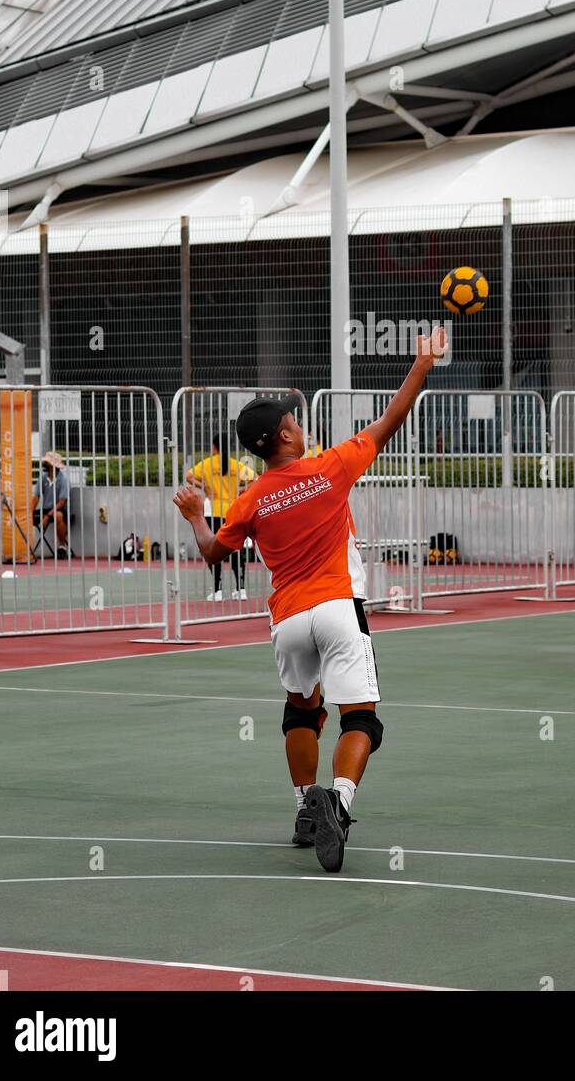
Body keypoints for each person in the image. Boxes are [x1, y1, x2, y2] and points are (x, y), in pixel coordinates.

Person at [173, 331, 447, 873]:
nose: (301, 424)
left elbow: (212, 551)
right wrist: (422, 363)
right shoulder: (331, 468)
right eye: (294, 420)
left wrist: (195, 515)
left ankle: (305, 809)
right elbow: (392, 418)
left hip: (288, 618)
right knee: (362, 720)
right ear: (285, 433)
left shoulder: (251, 497)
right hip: (339, 607)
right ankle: (337, 806)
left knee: (301, 711)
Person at [186, 434, 256, 600]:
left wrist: (204, 487)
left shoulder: (208, 463)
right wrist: (239, 492)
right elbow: (255, 479)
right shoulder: (235, 465)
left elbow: (189, 476)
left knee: (214, 550)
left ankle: (217, 590)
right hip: (232, 511)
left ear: (214, 446)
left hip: (214, 512)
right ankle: (241, 589)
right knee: (236, 550)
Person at [32, 451, 70, 558]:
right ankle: (26, 548)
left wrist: (48, 516)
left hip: (60, 509)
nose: (44, 463)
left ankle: (62, 547)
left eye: (47, 462)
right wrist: (29, 513)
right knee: (26, 517)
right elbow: (36, 497)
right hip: (45, 509)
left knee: (58, 515)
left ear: (53, 465)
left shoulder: (64, 479)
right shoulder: (43, 477)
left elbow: (62, 501)